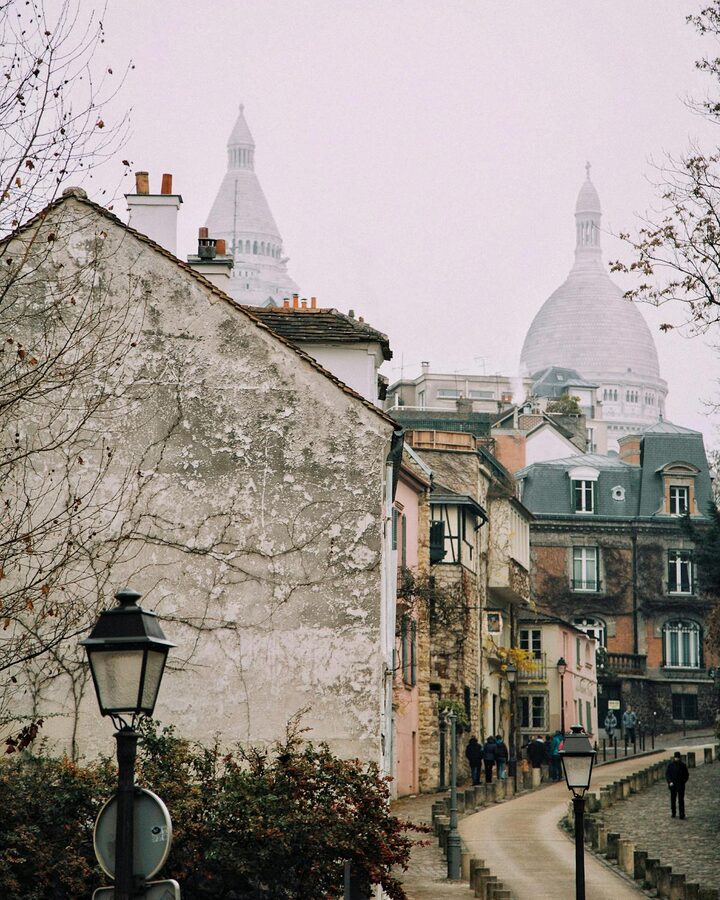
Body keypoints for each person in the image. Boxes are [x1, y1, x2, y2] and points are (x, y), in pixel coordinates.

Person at [666, 751, 689, 819]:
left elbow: (686, 775)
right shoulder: (670, 765)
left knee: (681, 800)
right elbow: (667, 775)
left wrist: (683, 782)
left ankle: (681, 813)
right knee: (673, 800)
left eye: (678, 758)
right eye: (676, 758)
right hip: (673, 785)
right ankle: (673, 812)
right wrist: (670, 782)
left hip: (680, 785)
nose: (677, 759)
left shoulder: (683, 765)